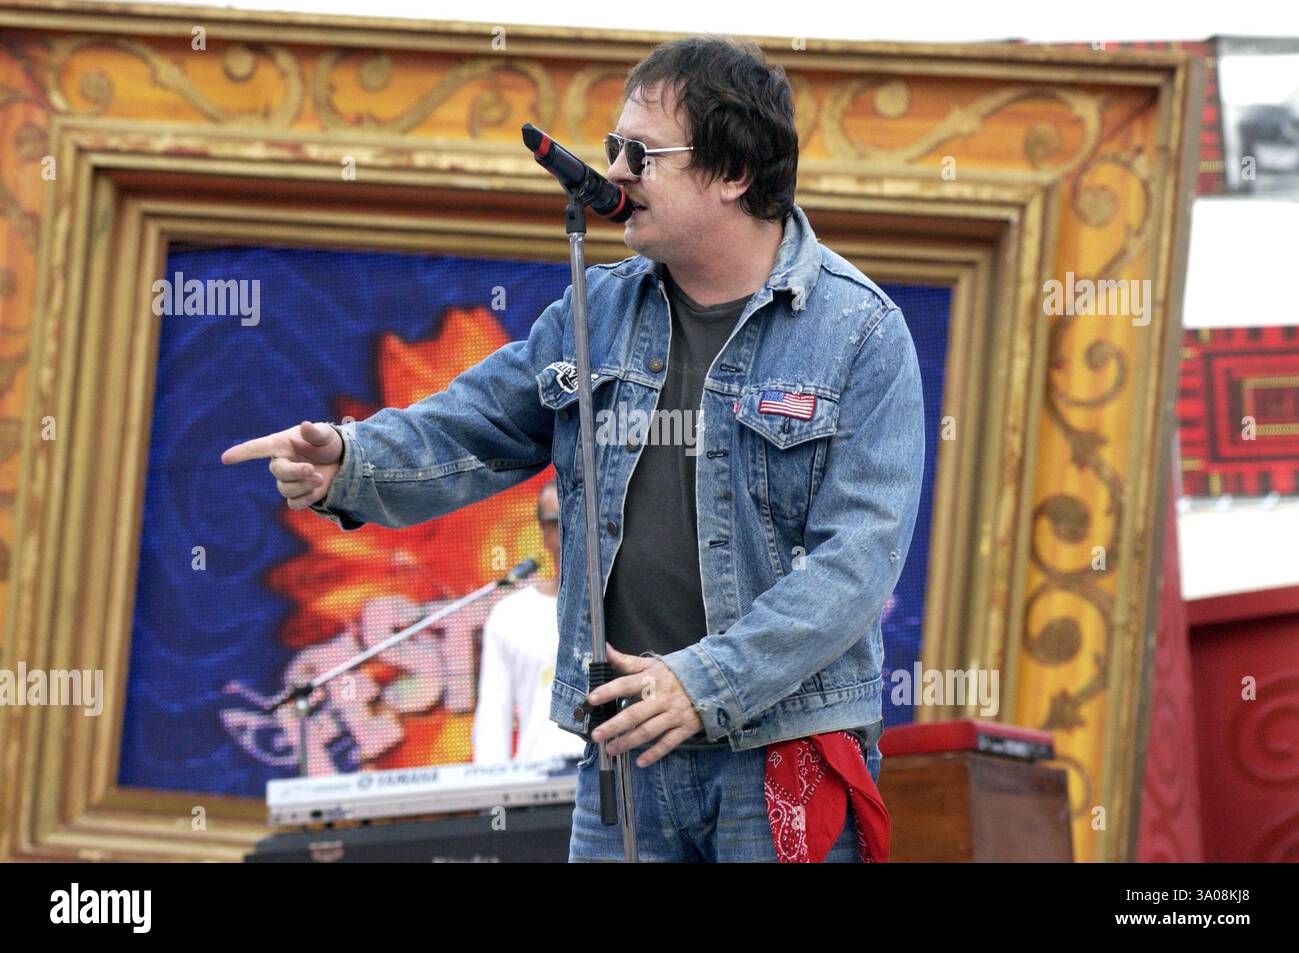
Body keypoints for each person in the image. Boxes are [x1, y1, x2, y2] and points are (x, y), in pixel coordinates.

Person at [222, 34, 925, 862]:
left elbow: (857, 563)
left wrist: (703, 683)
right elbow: (469, 422)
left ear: (735, 174)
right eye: (611, 149)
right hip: (622, 754)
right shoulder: (596, 310)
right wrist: (352, 457)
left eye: (642, 152)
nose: (616, 172)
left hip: (778, 754)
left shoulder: (860, 332)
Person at [471, 478, 587, 764]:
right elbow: (492, 719)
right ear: (544, 532)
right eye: (557, 520)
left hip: (619, 783)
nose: (570, 528)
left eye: (581, 515)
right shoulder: (510, 615)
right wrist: (494, 801)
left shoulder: (628, 604)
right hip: (540, 781)